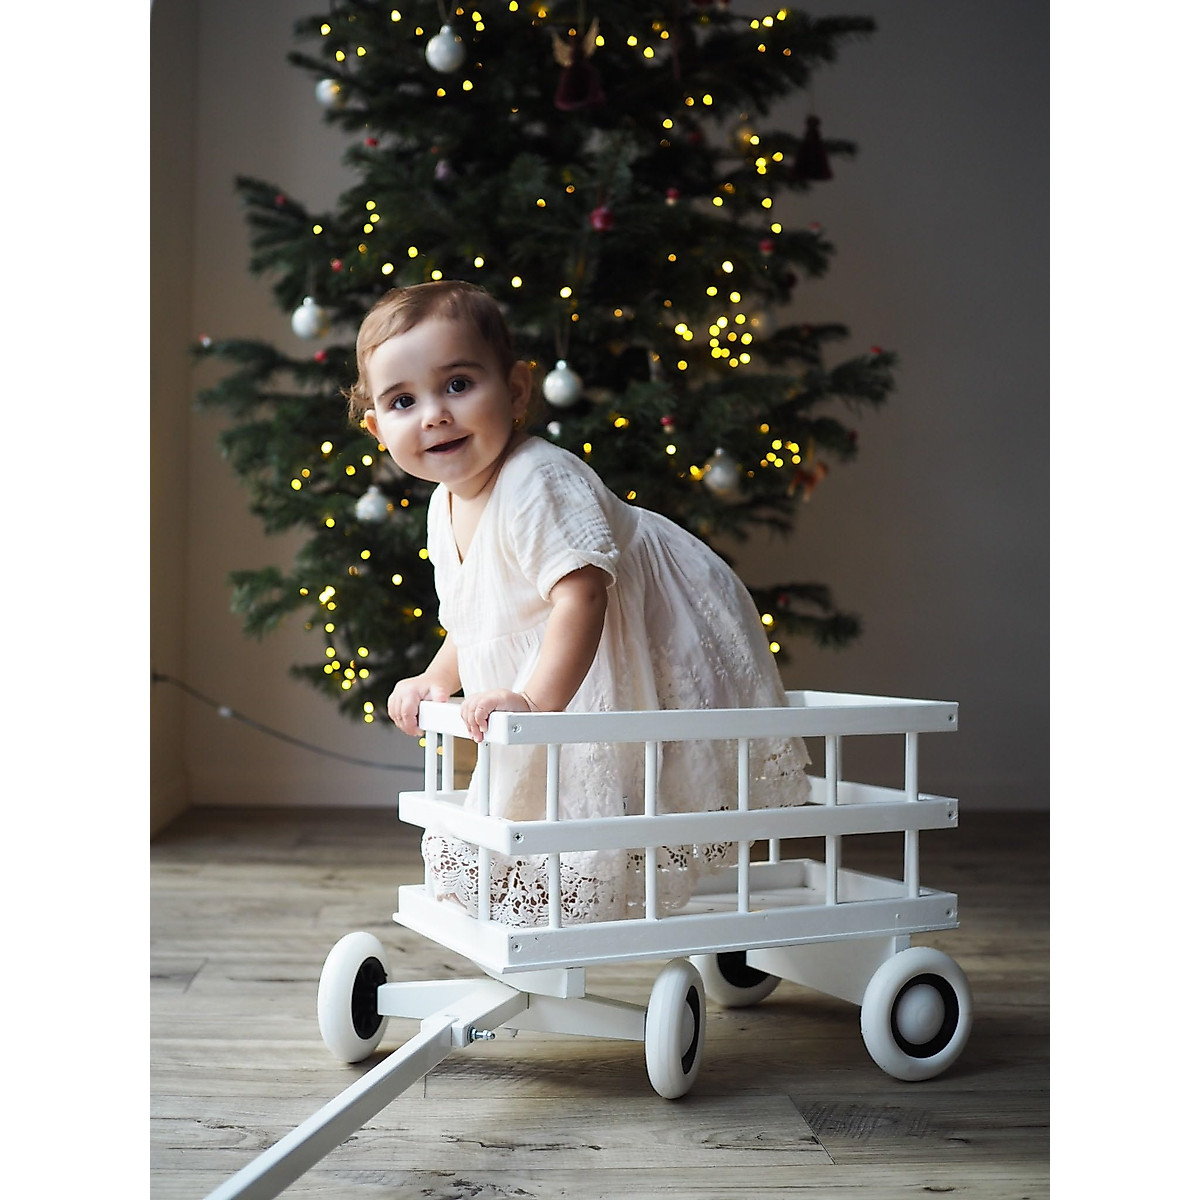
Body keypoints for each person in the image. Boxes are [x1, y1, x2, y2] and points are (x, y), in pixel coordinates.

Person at [347, 280, 812, 927]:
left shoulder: (538, 479)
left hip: (651, 621)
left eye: (457, 385)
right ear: (377, 428)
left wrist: (536, 702)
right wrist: (436, 676)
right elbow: (479, 616)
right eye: (403, 401)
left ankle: (596, 905)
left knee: (616, 772)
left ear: (514, 390)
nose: (434, 414)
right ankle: (544, 914)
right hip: (568, 653)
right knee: (544, 791)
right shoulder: (442, 505)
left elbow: (583, 595)